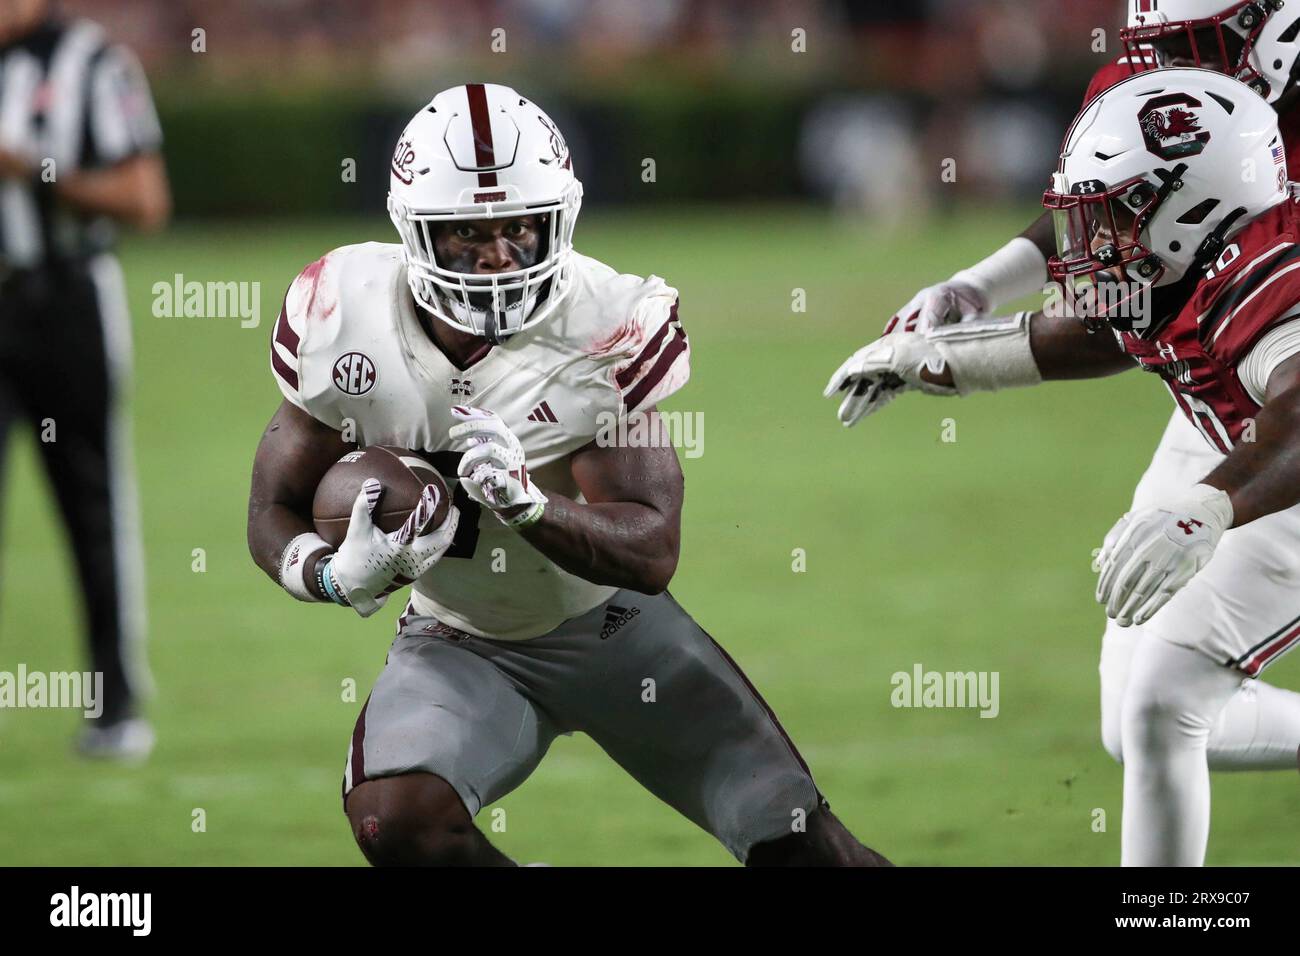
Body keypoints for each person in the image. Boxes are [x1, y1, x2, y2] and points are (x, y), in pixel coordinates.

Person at [247, 83, 891, 866]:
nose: (496, 257)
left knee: (802, 851)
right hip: (458, 638)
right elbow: (272, 505)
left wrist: (530, 508)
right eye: (467, 235)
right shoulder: (341, 313)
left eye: (519, 229)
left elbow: (652, 550)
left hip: (612, 630)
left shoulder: (602, 322)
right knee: (396, 821)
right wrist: (330, 575)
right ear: (414, 232)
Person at [825, 67, 1300, 865]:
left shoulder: (1268, 279)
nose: (1088, 244)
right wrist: (930, 359)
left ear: (1195, 209)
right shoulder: (1186, 255)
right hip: (1243, 444)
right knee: (1133, 719)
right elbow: (1105, 333)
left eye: (1112, 215)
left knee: (1164, 702)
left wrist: (1207, 508)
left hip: (1273, 460)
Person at [0, 0, 170, 759]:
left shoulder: (92, 62)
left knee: (90, 503)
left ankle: (115, 703)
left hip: (63, 301)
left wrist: (30, 171)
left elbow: (143, 199)